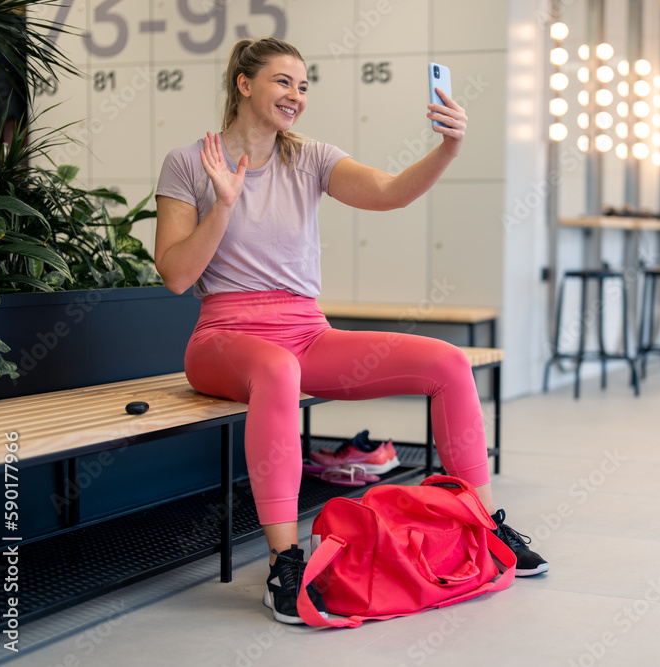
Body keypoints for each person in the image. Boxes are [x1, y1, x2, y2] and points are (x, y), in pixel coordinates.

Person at [154, 37, 548, 625]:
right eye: (283, 81)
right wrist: (224, 204)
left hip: (306, 331)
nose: (296, 96)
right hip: (223, 337)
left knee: (448, 362)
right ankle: (285, 563)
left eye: (304, 86)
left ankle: (485, 527)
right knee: (277, 370)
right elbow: (177, 276)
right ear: (244, 83)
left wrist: (448, 148)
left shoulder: (310, 158)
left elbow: (388, 193)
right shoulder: (189, 162)